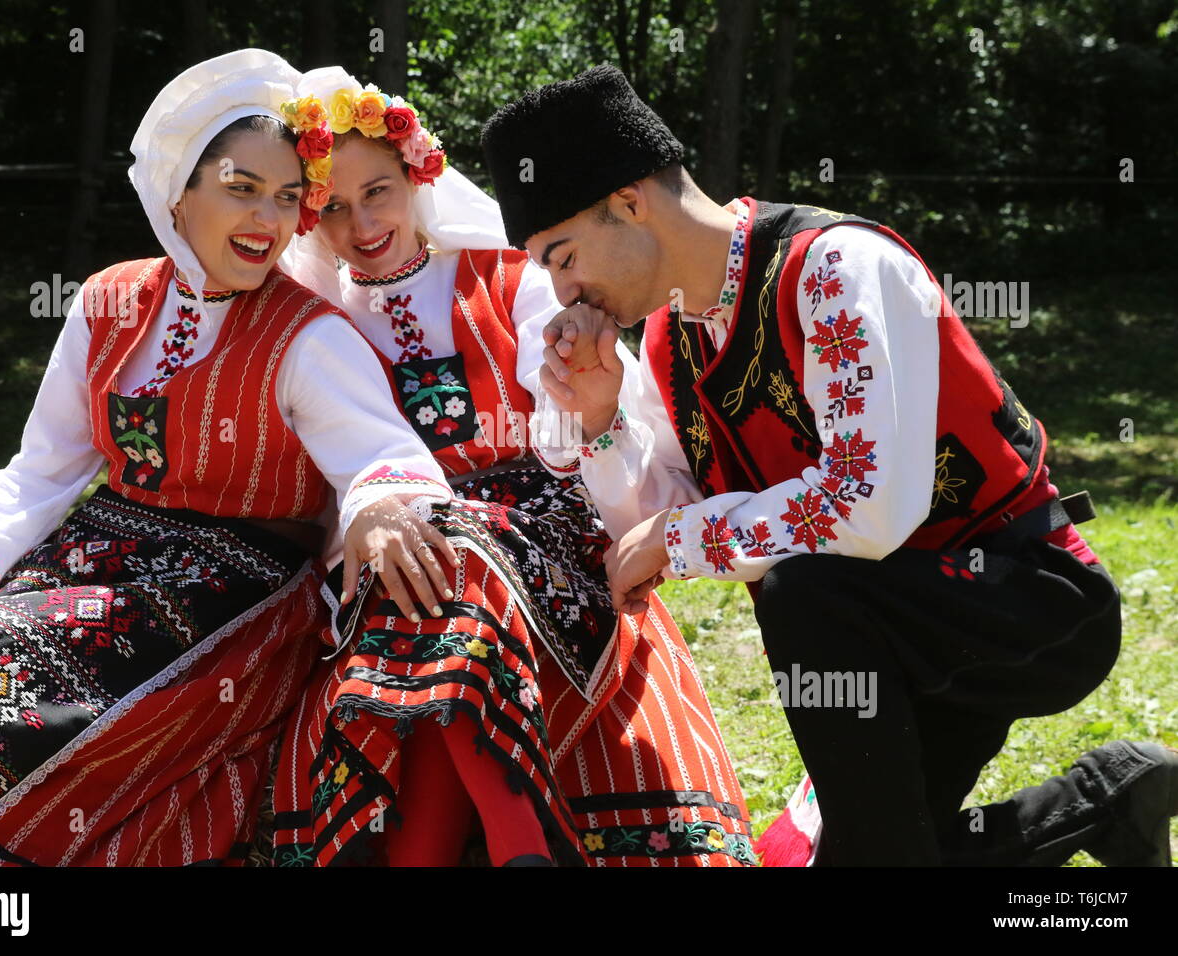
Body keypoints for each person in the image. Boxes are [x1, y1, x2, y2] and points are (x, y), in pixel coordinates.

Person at [479, 64, 1178, 866]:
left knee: (803, 585)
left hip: (1023, 604)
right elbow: (670, 514)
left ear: (630, 201)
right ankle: (1111, 797)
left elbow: (865, 503)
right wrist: (601, 425)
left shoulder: (834, 270)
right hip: (881, 639)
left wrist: (675, 539)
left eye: (562, 256)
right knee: (857, 857)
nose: (565, 290)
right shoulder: (672, 340)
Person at [0, 49, 457, 866]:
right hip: (88, 565)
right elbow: (43, 471)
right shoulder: (106, 303)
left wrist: (378, 505)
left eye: (290, 197)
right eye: (241, 188)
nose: (268, 219)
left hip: (229, 597)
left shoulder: (310, 336)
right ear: (176, 192)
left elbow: (384, 458)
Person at [269, 68, 754, 866]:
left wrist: (571, 369)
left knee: (442, 560)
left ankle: (485, 844)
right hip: (403, 549)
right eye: (332, 208)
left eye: (379, 192)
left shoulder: (510, 276)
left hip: (540, 532)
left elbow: (566, 434)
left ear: (419, 174)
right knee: (423, 561)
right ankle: (515, 843)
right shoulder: (315, 324)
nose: (361, 223)